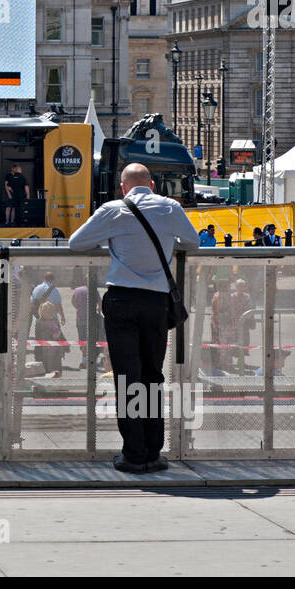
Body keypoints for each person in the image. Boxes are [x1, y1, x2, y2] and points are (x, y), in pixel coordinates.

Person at [66, 163, 200, 473]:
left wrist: (111, 243)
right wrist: (168, 245)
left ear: (123, 188)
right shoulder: (171, 207)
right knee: (153, 376)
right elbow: (192, 242)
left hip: (122, 300)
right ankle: (154, 452)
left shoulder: (113, 209)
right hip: (156, 302)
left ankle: (134, 454)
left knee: (128, 378)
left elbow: (76, 243)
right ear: (152, 185)